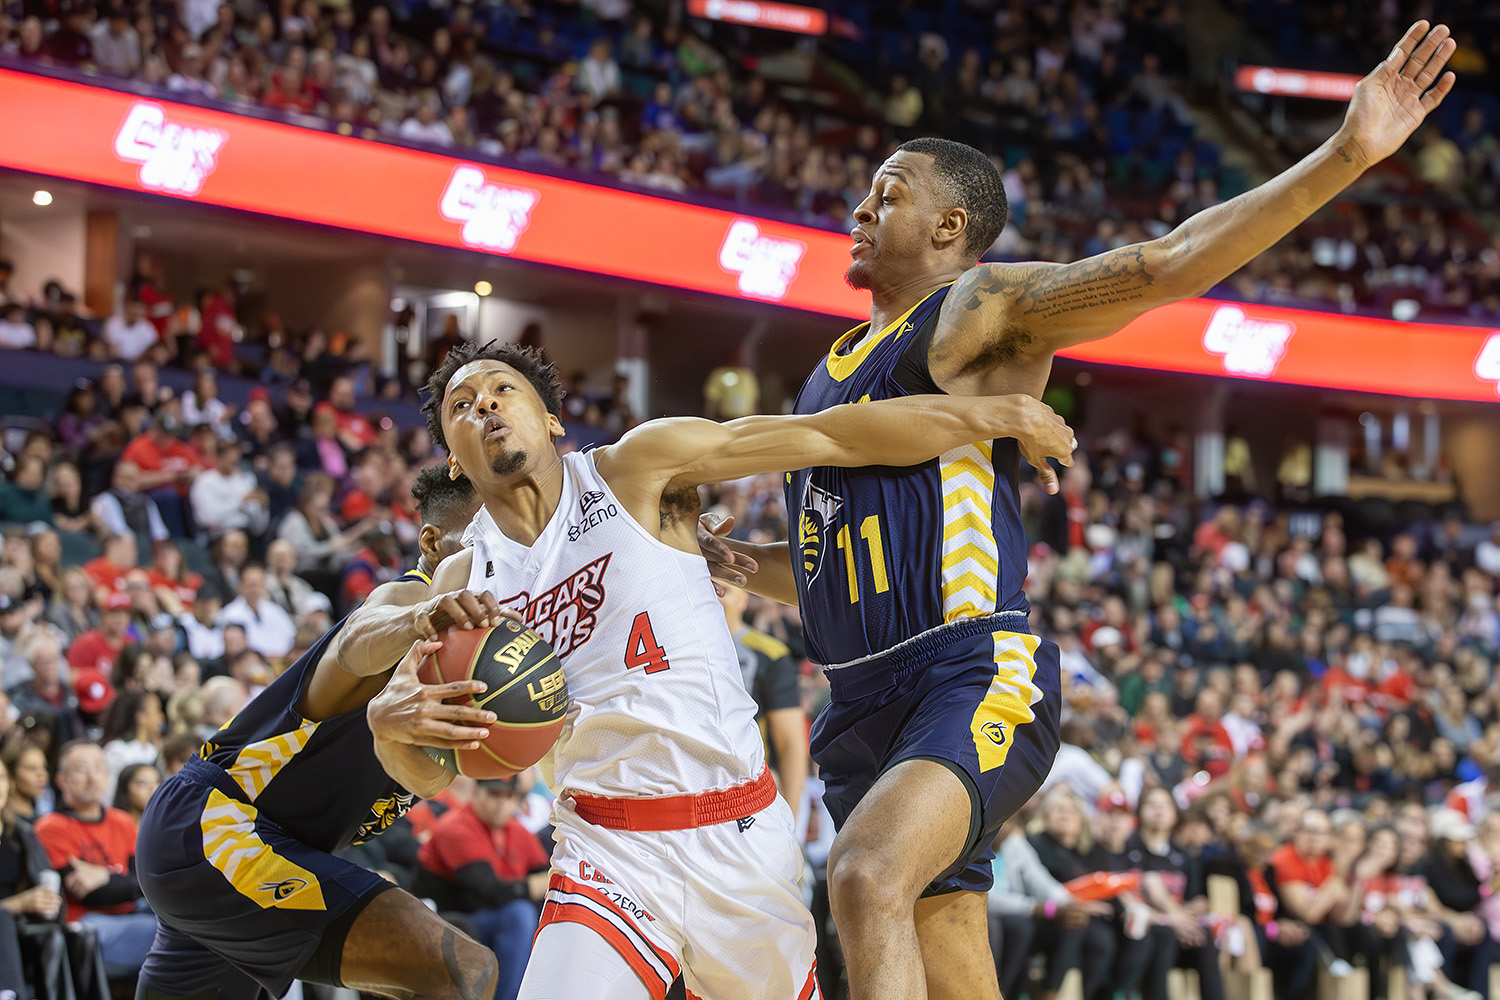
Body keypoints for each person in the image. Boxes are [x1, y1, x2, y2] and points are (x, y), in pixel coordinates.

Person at [702, 21, 1457, 998]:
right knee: (950, 953)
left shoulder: (981, 307)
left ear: (948, 228)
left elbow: (1169, 261)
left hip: (968, 670)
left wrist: (1345, 152)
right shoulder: (826, 373)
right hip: (859, 700)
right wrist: (722, 556)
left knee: (863, 874)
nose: (859, 205)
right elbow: (819, 563)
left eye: (888, 193)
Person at [349, 339, 1071, 1000]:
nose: (485, 406)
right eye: (462, 406)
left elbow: (832, 435)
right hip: (606, 853)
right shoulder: (461, 583)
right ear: (450, 453)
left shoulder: (635, 468)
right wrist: (389, 732)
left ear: (551, 417)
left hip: (741, 839)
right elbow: (431, 774)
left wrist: (991, 414)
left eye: (502, 389)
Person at [131, 465, 497, 1000]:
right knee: (460, 971)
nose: (502, 555)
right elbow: (359, 636)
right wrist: (422, 616)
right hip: (219, 826)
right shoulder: (406, 600)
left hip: (247, 850)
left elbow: (430, 778)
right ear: (434, 542)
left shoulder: (476, 664)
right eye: (486, 537)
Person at [412, 776, 550, 1000]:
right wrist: (541, 883)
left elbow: (547, 879)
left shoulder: (517, 831)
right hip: (446, 921)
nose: (501, 804)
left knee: (544, 916)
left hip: (489, 918)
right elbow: (488, 891)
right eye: (494, 794)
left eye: (508, 796)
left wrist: (546, 882)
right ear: (477, 793)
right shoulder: (456, 825)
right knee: (519, 914)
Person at [34, 740, 157, 978]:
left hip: (131, 912)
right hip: (86, 924)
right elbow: (90, 895)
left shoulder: (121, 821)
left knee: (191, 918)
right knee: (172, 934)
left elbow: (145, 881)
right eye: (81, 770)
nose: (92, 778)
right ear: (62, 780)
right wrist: (127, 882)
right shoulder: (50, 827)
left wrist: (104, 876)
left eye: (99, 768)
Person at [719, 582, 809, 821]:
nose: (714, 589)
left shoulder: (770, 654)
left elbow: (790, 742)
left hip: (753, 793)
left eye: (723, 585)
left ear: (744, 599)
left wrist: (791, 814)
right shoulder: (680, 650)